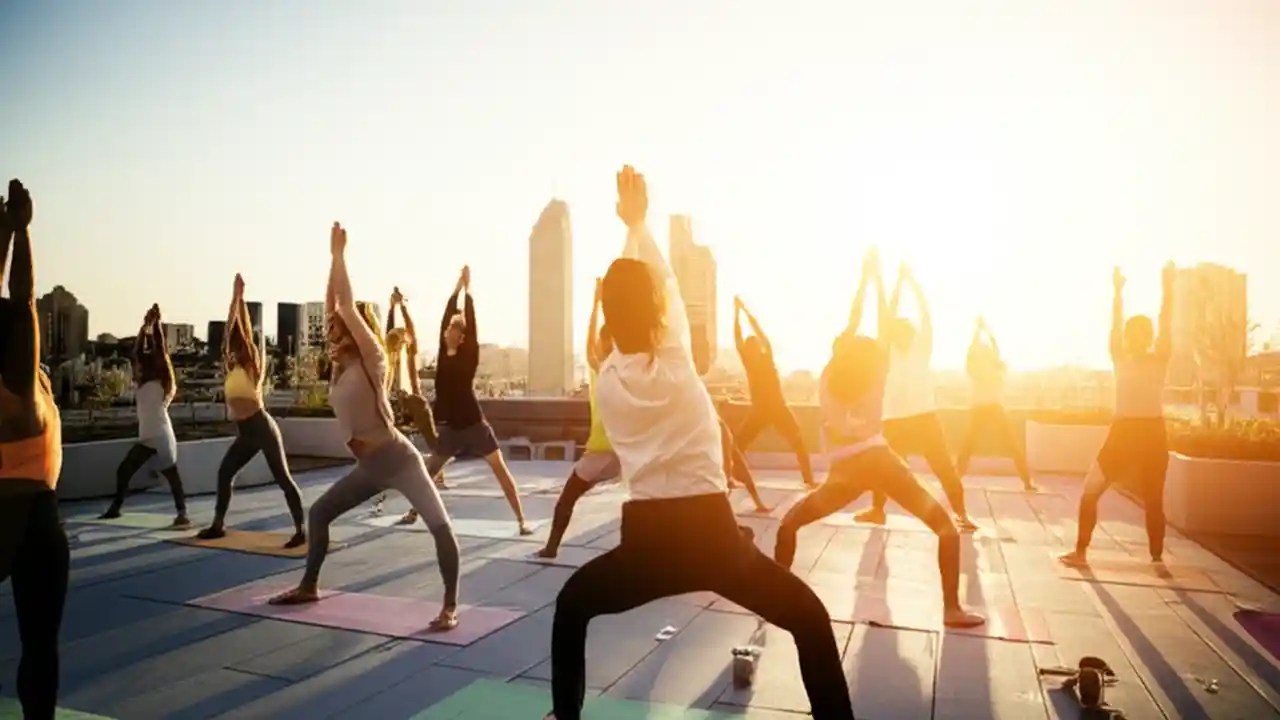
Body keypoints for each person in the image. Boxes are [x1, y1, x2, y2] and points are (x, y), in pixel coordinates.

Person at [545, 166, 854, 720]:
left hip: (645, 545)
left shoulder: (608, 377)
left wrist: (628, 234)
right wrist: (638, 223)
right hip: (712, 540)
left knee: (571, 609)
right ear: (661, 317)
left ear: (610, 322)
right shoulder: (676, 360)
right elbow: (659, 285)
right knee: (810, 620)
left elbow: (632, 304)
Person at [774, 248, 985, 630]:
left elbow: (854, 325)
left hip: (844, 472)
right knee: (945, 527)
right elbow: (883, 325)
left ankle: (771, 598)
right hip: (881, 460)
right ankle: (952, 609)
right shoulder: (876, 371)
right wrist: (879, 280)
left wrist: (865, 279)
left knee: (789, 523)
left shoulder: (826, 377)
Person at [269, 223, 461, 629]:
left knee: (440, 527)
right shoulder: (340, 365)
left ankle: (449, 607)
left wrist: (341, 257)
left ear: (357, 334)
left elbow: (345, 306)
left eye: (338, 331)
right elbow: (332, 303)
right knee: (319, 514)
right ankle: (309, 586)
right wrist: (330, 260)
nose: (332, 335)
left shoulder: (373, 357)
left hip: (398, 457)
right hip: (370, 467)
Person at [0, 179, 69, 720]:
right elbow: (21, 298)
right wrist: (21, 232)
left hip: (25, 516)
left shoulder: (28, 384)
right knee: (39, 650)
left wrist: (3, 232)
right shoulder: (19, 383)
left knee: (40, 652)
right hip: (29, 520)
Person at [396, 267, 533, 535]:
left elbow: (472, 325)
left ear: (461, 336)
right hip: (450, 427)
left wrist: (468, 293)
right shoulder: (442, 353)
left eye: (454, 329)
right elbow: (447, 314)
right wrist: (457, 287)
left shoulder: (468, 354)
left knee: (500, 470)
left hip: (473, 423)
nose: (449, 330)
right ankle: (413, 512)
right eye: (448, 328)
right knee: (430, 472)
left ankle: (521, 520)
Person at [1059, 264, 1175, 567]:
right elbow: (1114, 325)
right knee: (1090, 491)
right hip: (1123, 432)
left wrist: (1168, 289)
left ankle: (1156, 558)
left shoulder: (1159, 356)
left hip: (1150, 432)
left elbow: (1167, 323)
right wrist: (1118, 292)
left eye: (1140, 334)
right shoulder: (1120, 356)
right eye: (1130, 333)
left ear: (1147, 337)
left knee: (1153, 500)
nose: (1133, 338)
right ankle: (1081, 551)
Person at [853, 263, 977, 531]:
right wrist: (898, 282)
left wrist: (912, 283)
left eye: (901, 332)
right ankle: (877, 510)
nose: (898, 335)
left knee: (944, 468)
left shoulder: (922, 347)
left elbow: (925, 314)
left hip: (923, 418)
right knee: (882, 467)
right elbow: (887, 319)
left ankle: (962, 515)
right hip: (895, 420)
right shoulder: (889, 352)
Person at [197, 273, 306, 547]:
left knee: (283, 478)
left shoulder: (251, 365)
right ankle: (218, 525)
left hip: (262, 427)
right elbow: (227, 335)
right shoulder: (230, 367)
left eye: (236, 347)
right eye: (229, 349)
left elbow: (240, 330)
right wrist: (233, 299)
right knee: (225, 473)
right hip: (246, 432)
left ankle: (301, 530)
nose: (231, 351)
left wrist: (239, 299)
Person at [99, 304, 190, 525]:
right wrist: (144, 325)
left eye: (140, 365)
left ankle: (182, 514)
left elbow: (160, 351)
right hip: (147, 437)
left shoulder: (162, 383)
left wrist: (156, 325)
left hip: (161, 436)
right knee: (124, 470)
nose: (136, 367)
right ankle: (116, 508)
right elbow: (137, 351)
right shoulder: (142, 383)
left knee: (172, 475)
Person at [731, 296, 816, 488]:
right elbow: (758, 335)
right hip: (774, 407)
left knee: (738, 445)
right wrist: (744, 312)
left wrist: (738, 312)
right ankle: (809, 480)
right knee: (798, 442)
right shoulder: (765, 357)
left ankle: (732, 476)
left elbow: (739, 338)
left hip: (763, 409)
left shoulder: (752, 360)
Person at [371, 287, 441, 514]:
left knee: (434, 444)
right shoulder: (387, 358)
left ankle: (436, 473)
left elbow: (410, 332)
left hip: (414, 405)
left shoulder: (410, 354)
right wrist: (392, 307)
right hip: (397, 407)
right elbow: (388, 331)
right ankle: (381, 491)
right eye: (397, 342)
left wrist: (403, 307)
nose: (399, 344)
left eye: (402, 341)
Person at [954, 316, 1036, 491]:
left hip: (987, 408)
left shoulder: (986, 365)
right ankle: (1027, 482)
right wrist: (981, 331)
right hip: (987, 408)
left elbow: (989, 347)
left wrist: (982, 330)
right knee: (973, 446)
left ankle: (1027, 481)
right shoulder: (984, 366)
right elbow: (980, 348)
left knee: (971, 446)